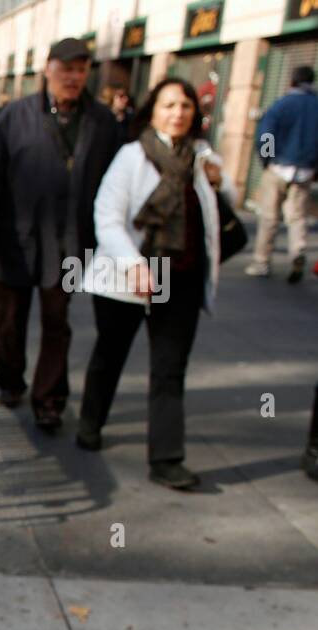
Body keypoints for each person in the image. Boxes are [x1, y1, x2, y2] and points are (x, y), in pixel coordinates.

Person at [77, 78, 228, 490]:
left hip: (182, 279)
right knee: (110, 354)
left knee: (169, 370)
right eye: (169, 105)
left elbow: (218, 211)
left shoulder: (202, 158)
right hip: (132, 275)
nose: (178, 113)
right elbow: (106, 215)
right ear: (153, 111)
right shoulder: (132, 155)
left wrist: (220, 180)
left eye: (185, 105)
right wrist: (134, 264)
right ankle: (90, 423)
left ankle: (166, 459)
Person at [0, 37, 123, 431]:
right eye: (65, 68)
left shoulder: (102, 121)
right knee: (9, 321)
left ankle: (49, 400)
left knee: (58, 322)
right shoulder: (15, 115)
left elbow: (118, 181)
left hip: (70, 243)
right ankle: (11, 380)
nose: (72, 77)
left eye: (80, 69)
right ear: (48, 69)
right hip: (12, 239)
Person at [246, 65, 318, 283]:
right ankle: (298, 252)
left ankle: (261, 262)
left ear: (292, 81)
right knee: (297, 217)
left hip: (278, 168)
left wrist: (267, 159)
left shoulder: (281, 105)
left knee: (269, 217)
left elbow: (266, 135)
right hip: (305, 170)